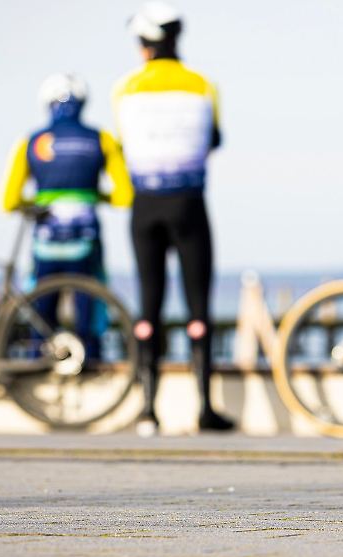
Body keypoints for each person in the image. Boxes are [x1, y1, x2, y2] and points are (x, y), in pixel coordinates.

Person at [112, 2, 234, 435]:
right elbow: (214, 138)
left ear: (143, 46)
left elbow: (124, 142)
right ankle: (204, 408)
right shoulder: (202, 85)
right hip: (189, 202)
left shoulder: (126, 87)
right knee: (197, 306)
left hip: (144, 204)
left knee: (149, 303)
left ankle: (148, 410)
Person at [0, 73, 132, 360]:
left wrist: (39, 202)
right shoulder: (101, 139)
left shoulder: (31, 142)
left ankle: (38, 364)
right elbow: (125, 196)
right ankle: (93, 361)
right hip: (85, 240)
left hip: (45, 242)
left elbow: (8, 201)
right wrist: (92, 196)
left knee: (41, 308)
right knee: (90, 305)